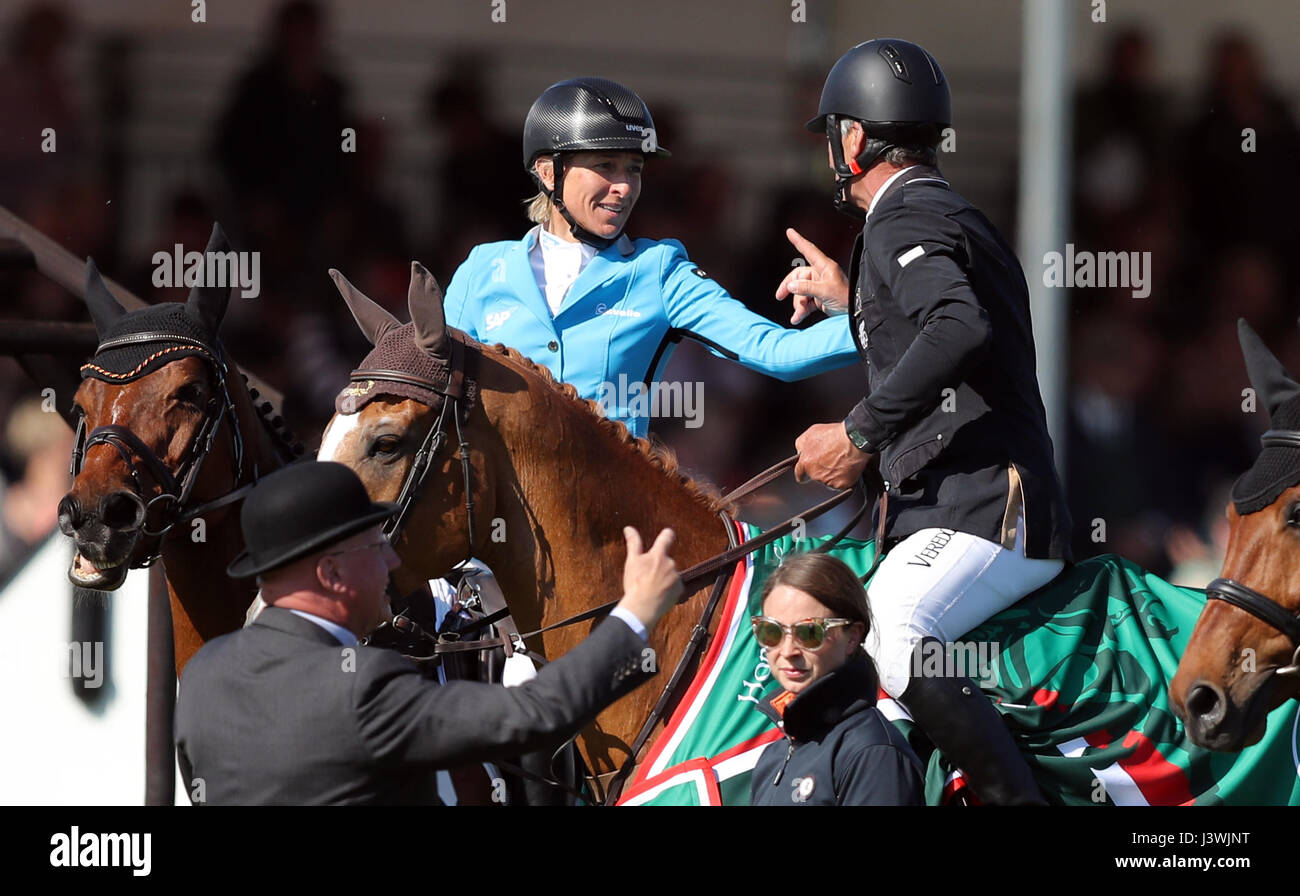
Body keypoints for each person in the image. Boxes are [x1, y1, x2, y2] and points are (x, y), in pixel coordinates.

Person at [785, 39, 1071, 804]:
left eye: (833, 135)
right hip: (965, 506)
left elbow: (959, 326)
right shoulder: (935, 208)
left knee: (890, 628)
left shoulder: (902, 214)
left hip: (987, 508)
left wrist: (857, 433)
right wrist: (855, 298)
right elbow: (937, 326)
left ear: (853, 137)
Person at [173, 460, 683, 805]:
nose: (393, 561)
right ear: (331, 573)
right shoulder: (362, 686)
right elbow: (534, 713)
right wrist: (635, 613)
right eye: (377, 547)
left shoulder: (202, 677)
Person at [441, 76, 858, 439]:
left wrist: (869, 317)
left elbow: (776, 351)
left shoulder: (660, 271)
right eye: (606, 165)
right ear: (549, 172)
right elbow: (437, 394)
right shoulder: (481, 270)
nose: (625, 186)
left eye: (635, 169)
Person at [750, 553, 924, 806]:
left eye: (809, 632)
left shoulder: (873, 752)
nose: (787, 651)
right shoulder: (771, 757)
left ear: (852, 637)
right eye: (771, 631)